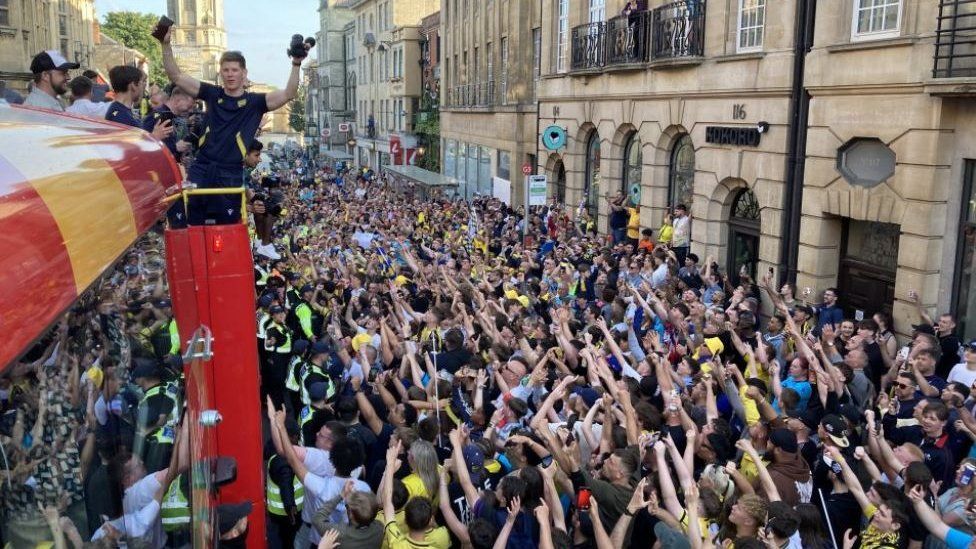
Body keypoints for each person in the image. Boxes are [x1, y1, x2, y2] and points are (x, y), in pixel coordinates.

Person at [158, 25, 307, 225]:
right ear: (220, 72)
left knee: (227, 227)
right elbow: (176, 76)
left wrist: (296, 64)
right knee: (193, 224)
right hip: (202, 167)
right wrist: (165, 44)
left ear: (243, 72)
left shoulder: (255, 102)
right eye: (226, 70)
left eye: (234, 70)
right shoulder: (212, 93)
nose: (230, 74)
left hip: (230, 172)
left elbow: (289, 93)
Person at [105, 65, 173, 141]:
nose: (143, 86)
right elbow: (128, 148)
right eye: (142, 82)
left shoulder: (120, 110)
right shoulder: (120, 115)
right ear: (133, 85)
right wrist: (154, 137)